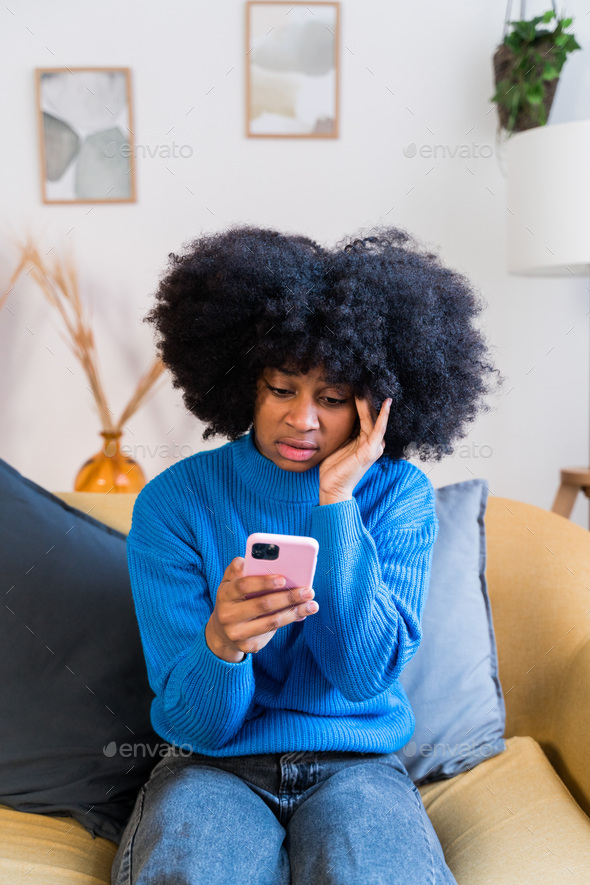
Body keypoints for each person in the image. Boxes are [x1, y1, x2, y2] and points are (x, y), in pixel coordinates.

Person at [111, 224, 501, 885]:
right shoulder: (175, 503)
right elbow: (190, 718)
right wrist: (223, 644)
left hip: (357, 765)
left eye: (332, 398)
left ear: (376, 405)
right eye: (282, 388)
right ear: (242, 385)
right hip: (211, 763)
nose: (303, 421)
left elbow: (363, 674)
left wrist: (337, 504)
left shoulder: (397, 495)